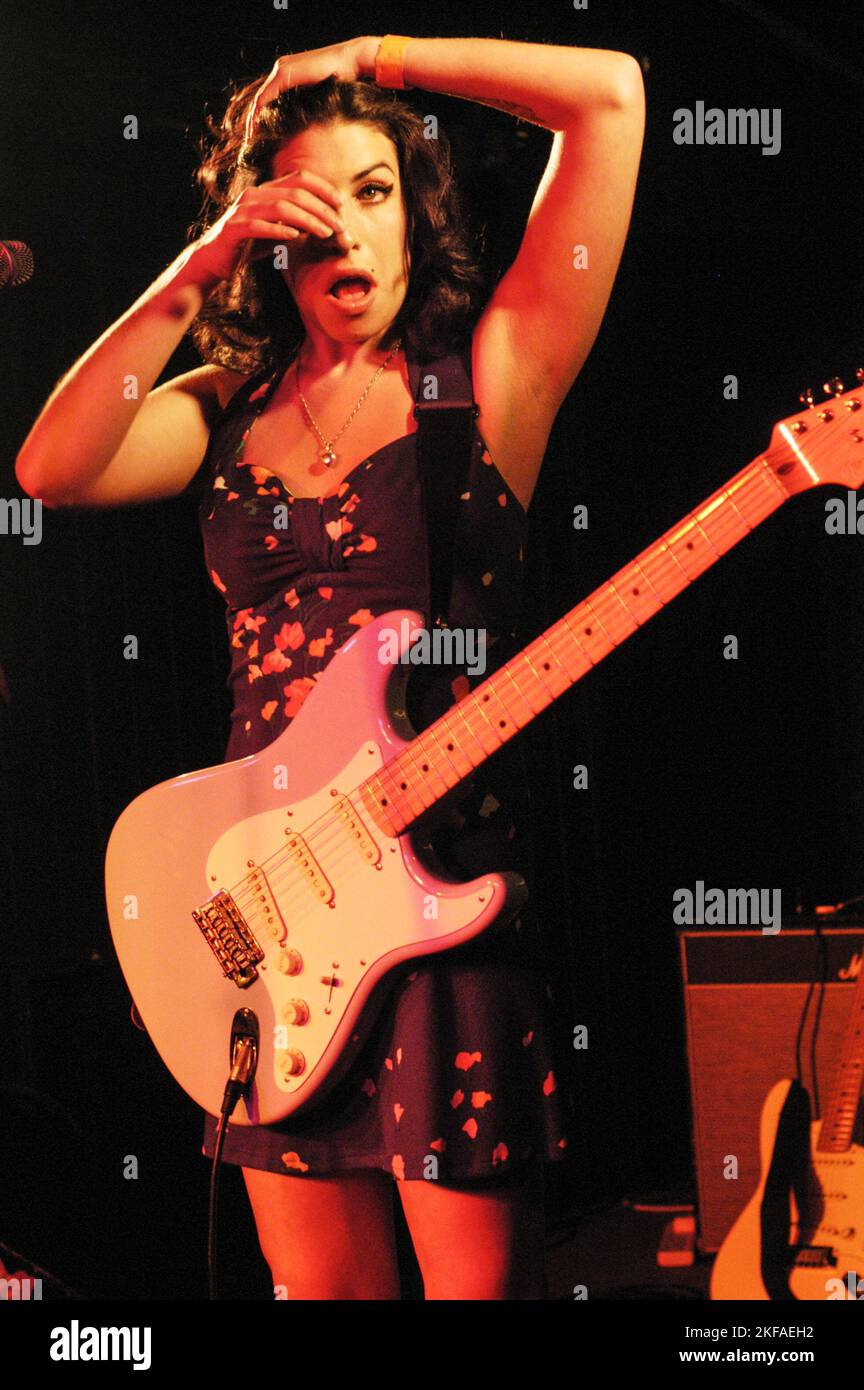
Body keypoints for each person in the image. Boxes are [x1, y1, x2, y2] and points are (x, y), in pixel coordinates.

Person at [16, 34, 645, 1299]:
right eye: (314, 202)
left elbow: (612, 93)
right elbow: (51, 470)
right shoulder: (225, 405)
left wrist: (379, 56)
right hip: (275, 921)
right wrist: (199, 265)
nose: (350, 228)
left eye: (375, 191)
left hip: (434, 903)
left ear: (416, 213)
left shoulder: (490, 378)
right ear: (270, 236)